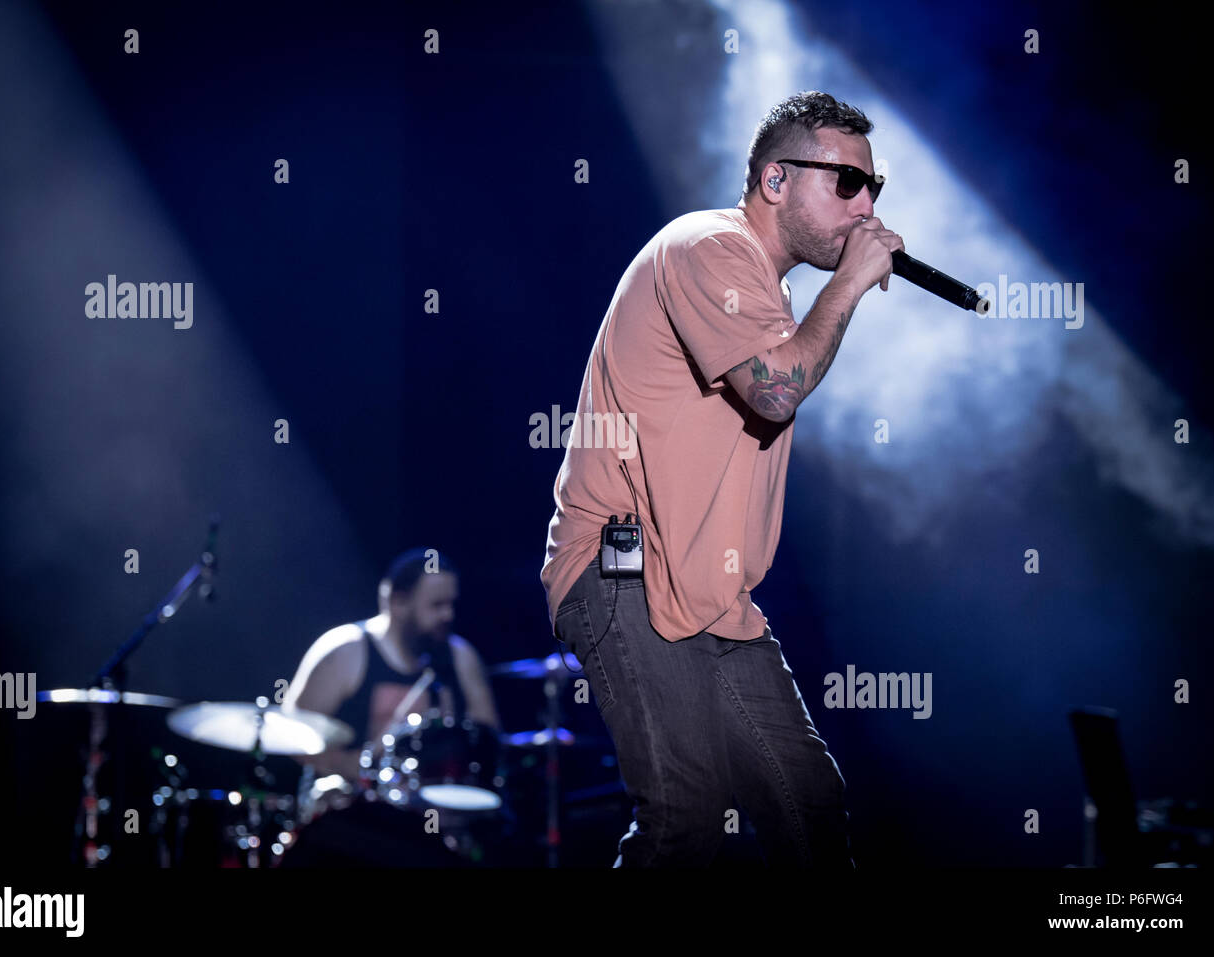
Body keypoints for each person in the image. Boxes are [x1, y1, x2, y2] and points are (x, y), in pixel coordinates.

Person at [540, 91, 903, 867]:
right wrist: (848, 287)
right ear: (775, 180)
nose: (867, 206)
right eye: (847, 182)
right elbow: (775, 390)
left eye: (875, 187)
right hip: (623, 567)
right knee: (686, 815)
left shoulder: (767, 289)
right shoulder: (706, 247)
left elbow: (778, 381)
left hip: (710, 590)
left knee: (808, 799)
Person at [285, 548, 499, 780]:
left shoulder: (461, 656)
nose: (448, 615)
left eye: (451, 604)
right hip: (355, 806)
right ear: (397, 602)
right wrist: (353, 769)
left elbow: (488, 740)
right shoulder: (344, 652)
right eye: (437, 605)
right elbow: (292, 735)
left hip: (438, 805)